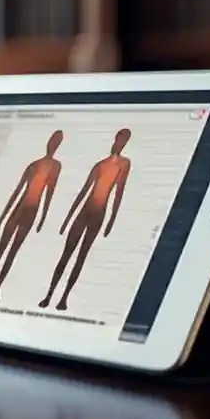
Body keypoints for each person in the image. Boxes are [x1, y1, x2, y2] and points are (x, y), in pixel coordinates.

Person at [39, 128, 132, 311]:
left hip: (99, 214)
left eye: (124, 140)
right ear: (115, 139)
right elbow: (84, 191)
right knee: (66, 254)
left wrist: (112, 219)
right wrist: (67, 219)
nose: (120, 143)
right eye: (119, 139)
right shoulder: (100, 165)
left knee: (81, 256)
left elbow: (118, 192)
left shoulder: (124, 164)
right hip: (84, 211)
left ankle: (64, 298)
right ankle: (49, 295)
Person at [0, 130, 63, 301]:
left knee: (12, 252)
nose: (52, 144)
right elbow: (17, 191)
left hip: (31, 213)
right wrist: (3, 215)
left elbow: (49, 193)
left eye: (56, 142)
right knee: (1, 249)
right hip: (19, 209)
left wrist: (43, 217)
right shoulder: (34, 165)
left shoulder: (56, 167)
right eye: (52, 140)